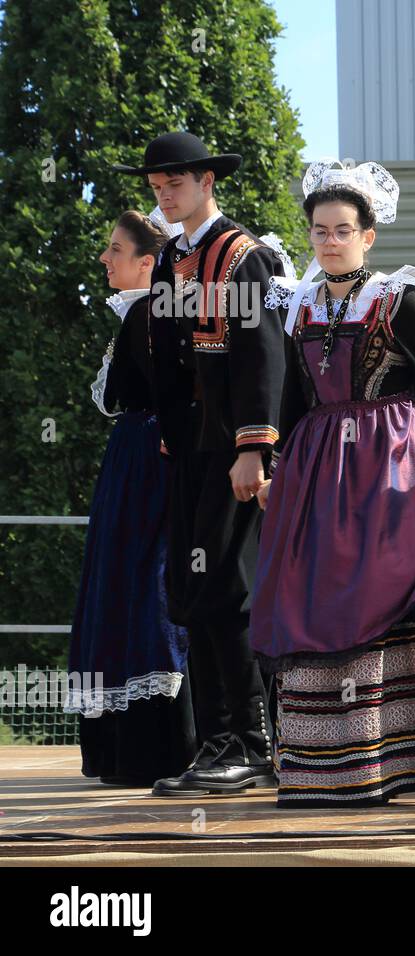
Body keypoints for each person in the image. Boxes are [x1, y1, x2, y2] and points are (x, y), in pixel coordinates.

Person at [250, 161, 415, 807]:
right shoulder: (299, 306)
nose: (329, 241)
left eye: (343, 230)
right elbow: (290, 397)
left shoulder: (396, 301)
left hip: (391, 465)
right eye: (319, 231)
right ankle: (322, 763)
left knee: (384, 589)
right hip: (319, 463)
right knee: (320, 593)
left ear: (368, 235)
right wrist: (273, 464)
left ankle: (392, 758)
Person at [113, 132, 287, 796]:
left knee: (224, 591)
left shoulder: (245, 256)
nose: (164, 193)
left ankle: (248, 740)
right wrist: (167, 426)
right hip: (188, 446)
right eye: (156, 185)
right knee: (190, 596)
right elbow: (163, 350)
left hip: (232, 449)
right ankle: (216, 739)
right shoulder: (168, 262)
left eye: (175, 182)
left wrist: (253, 447)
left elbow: (261, 354)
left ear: (208, 181)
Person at [66, 209, 197, 786]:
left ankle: (144, 746)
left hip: (147, 459)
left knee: (143, 580)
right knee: (137, 579)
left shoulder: (149, 312)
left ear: (149, 262)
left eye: (115, 249)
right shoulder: (155, 312)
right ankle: (147, 743)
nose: (104, 258)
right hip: (143, 456)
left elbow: (124, 393)